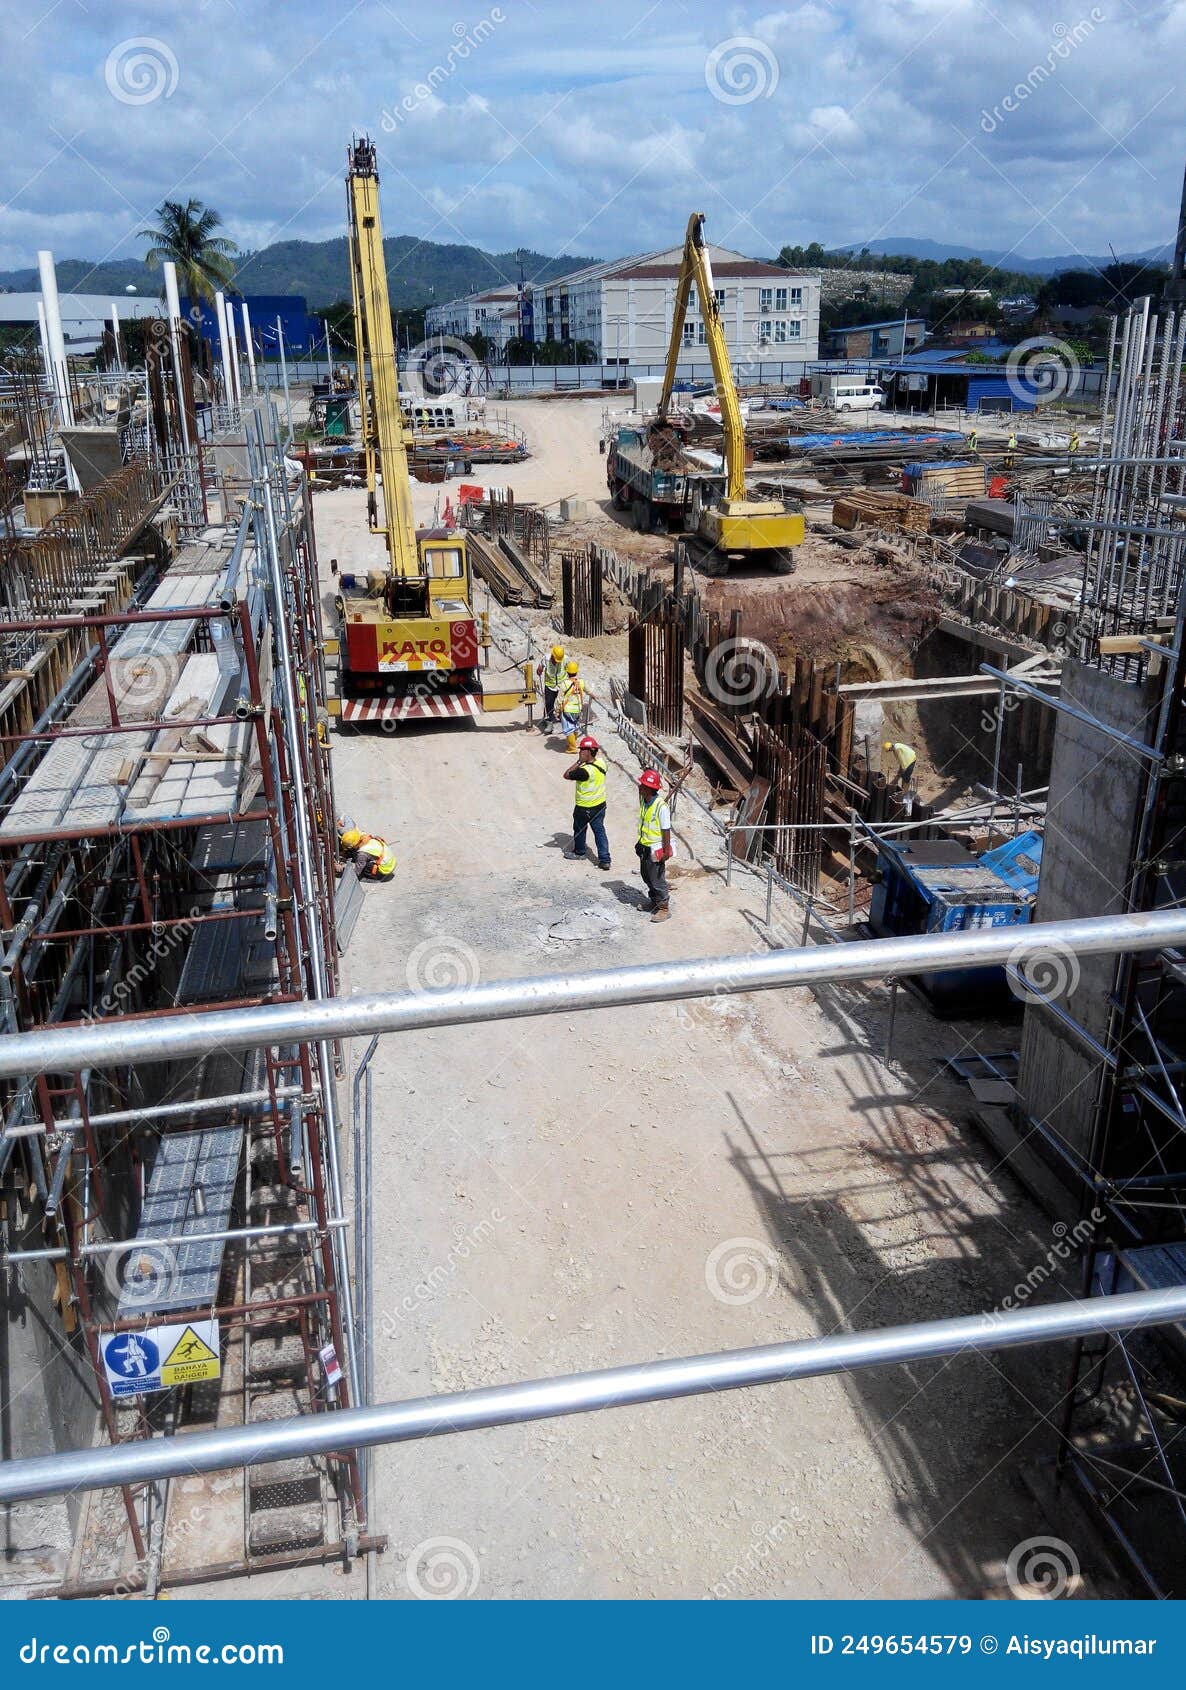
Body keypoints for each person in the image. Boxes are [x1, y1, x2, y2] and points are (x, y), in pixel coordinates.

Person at [564, 735, 611, 869]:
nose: (579, 752)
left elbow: (566, 775)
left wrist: (579, 762)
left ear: (588, 751)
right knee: (600, 832)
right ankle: (605, 859)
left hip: (584, 807)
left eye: (582, 750)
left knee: (579, 829)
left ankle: (580, 852)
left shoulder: (584, 771)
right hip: (600, 806)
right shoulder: (601, 763)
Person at [636, 768, 673, 922]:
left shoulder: (661, 807)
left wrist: (666, 851)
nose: (639, 787)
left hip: (656, 849)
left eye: (642, 785)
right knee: (646, 876)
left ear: (649, 789)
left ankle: (664, 908)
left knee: (657, 879)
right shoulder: (644, 801)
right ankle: (654, 901)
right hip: (645, 846)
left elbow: (666, 830)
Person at [538, 643, 567, 731]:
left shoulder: (565, 659)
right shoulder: (546, 658)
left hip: (562, 686)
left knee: (563, 703)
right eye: (555, 659)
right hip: (550, 685)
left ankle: (562, 718)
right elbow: (540, 667)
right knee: (549, 704)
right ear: (552, 655)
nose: (557, 661)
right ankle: (548, 722)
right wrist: (539, 670)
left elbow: (570, 670)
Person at [559, 660, 585, 753]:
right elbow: (588, 690)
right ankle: (572, 742)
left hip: (568, 709)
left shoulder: (564, 684)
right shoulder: (581, 682)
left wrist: (557, 710)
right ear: (576, 671)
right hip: (578, 709)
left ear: (567, 672)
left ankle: (572, 747)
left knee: (568, 728)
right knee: (575, 726)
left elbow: (559, 699)